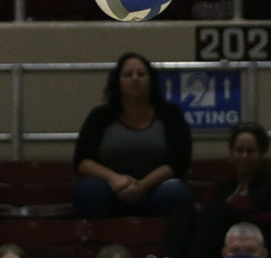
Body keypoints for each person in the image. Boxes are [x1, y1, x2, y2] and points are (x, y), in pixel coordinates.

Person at [72, 53, 196, 224]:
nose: (135, 78)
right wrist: (115, 179)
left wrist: (142, 186)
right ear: (118, 81)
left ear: (151, 80)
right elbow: (82, 161)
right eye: (128, 74)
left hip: (156, 189)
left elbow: (179, 161)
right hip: (111, 189)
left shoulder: (170, 114)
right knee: (88, 189)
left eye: (141, 74)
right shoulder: (100, 116)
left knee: (175, 191)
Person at [187, 122, 271, 258]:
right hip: (224, 244)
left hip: (263, 241)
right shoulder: (224, 186)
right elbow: (206, 212)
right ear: (231, 153)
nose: (244, 156)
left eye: (250, 151)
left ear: (262, 153)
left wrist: (245, 217)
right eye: (239, 151)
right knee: (184, 213)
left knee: (220, 211)